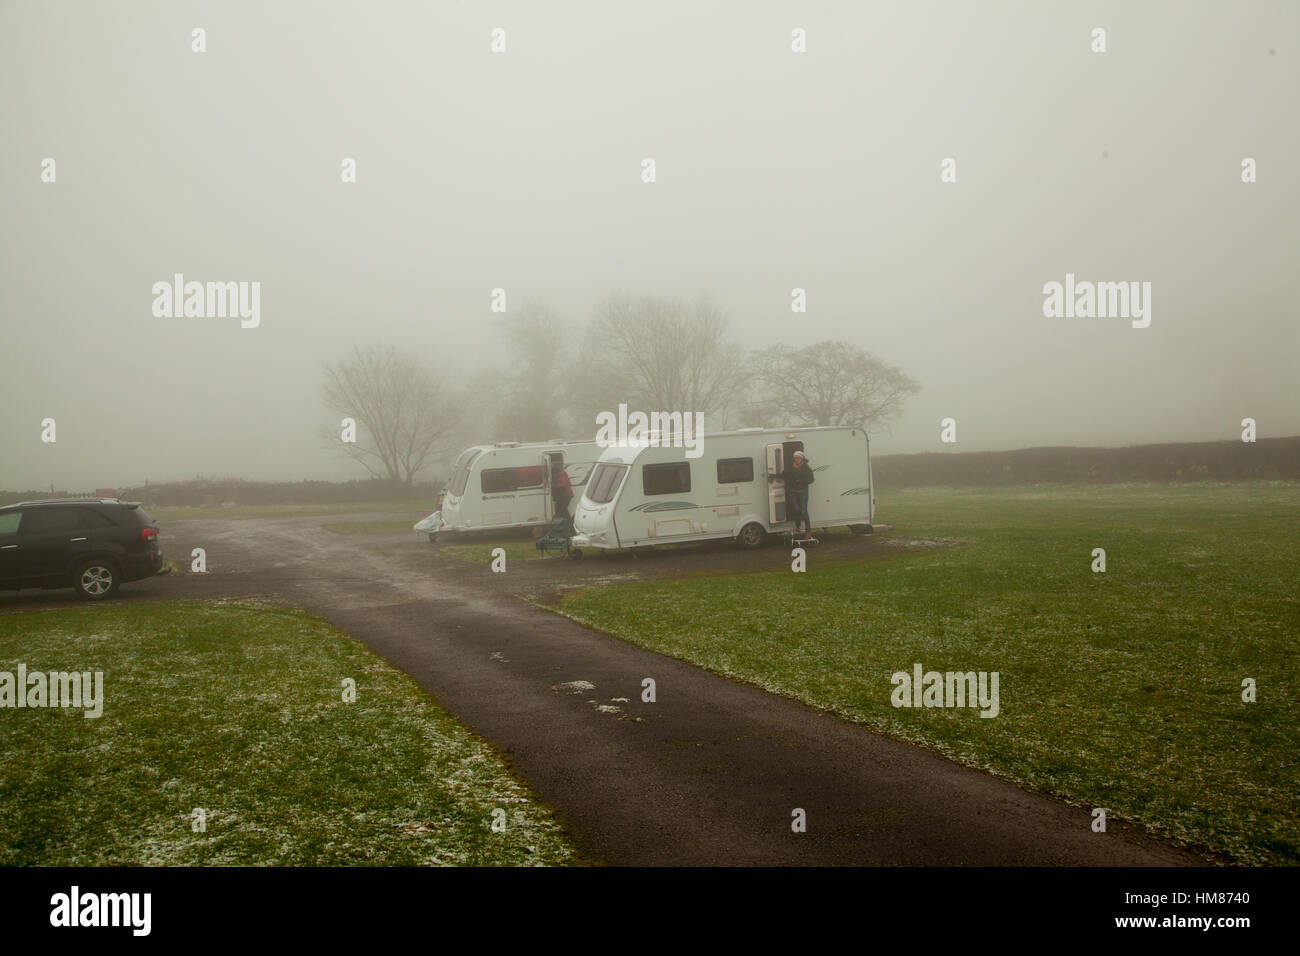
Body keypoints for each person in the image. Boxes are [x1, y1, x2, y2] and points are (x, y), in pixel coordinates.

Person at [784, 449, 815, 536]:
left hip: (803, 492)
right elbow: (785, 475)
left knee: (804, 511)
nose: (796, 459)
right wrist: (773, 475)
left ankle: (808, 531)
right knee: (796, 510)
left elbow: (811, 479)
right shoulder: (791, 467)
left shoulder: (806, 467)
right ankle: (798, 526)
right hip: (793, 492)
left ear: (802, 459)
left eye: (798, 458)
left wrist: (802, 482)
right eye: (795, 458)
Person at [550, 462, 574, 531]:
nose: (554, 475)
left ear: (555, 471)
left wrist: (554, 486)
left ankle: (570, 525)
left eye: (554, 473)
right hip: (565, 495)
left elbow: (564, 483)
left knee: (563, 510)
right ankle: (568, 525)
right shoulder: (560, 474)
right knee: (563, 510)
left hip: (567, 495)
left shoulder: (562, 474)